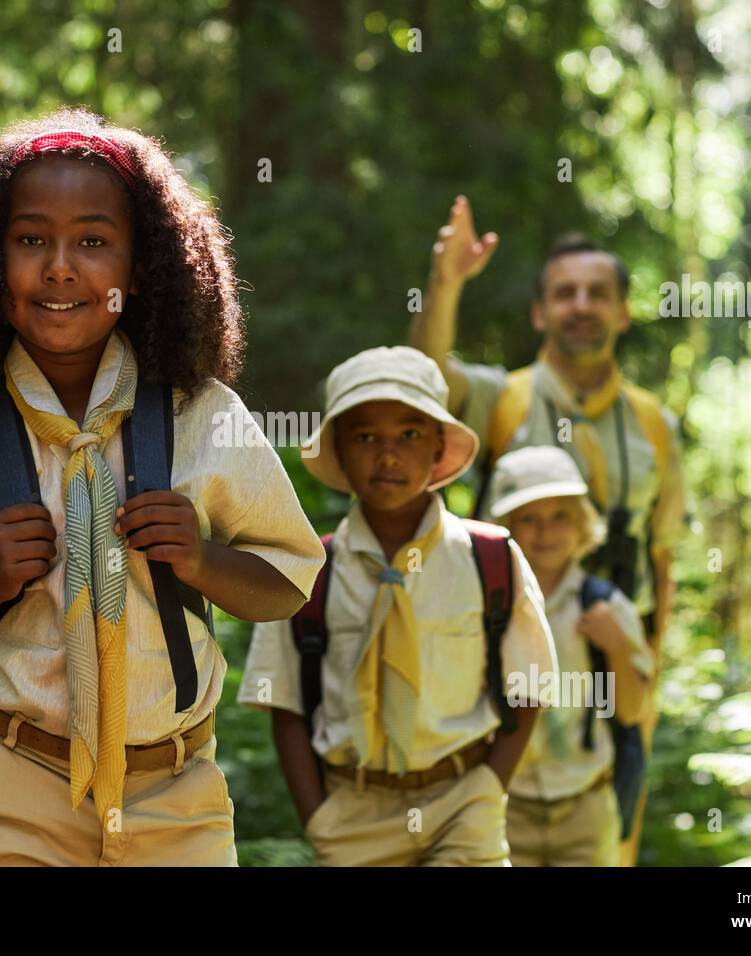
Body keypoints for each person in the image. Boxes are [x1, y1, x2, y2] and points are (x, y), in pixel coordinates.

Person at [0, 107, 326, 866]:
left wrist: (202, 561)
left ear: (141, 271)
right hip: (10, 784)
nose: (61, 267)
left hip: (174, 795)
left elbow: (288, 585)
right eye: (30, 239)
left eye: (94, 241)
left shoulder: (204, 420)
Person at [409, 196, 686, 864]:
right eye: (565, 293)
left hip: (610, 667)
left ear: (622, 311)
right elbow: (422, 382)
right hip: (499, 666)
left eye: (598, 293)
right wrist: (445, 282)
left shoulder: (656, 426)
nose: (581, 304)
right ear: (541, 313)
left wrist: (643, 670)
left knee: (608, 845)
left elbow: (663, 556)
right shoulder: (500, 398)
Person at [239, 346, 558, 866]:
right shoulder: (308, 570)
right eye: (365, 437)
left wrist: (487, 790)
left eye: (410, 435)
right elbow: (285, 706)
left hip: (462, 803)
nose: (388, 455)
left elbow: (531, 688)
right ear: (339, 450)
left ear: (438, 448)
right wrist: (318, 818)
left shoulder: (492, 558)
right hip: (352, 814)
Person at [486, 446, 653, 866]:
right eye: (529, 518)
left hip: (586, 807)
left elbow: (632, 712)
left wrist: (616, 644)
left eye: (560, 516)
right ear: (506, 526)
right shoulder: (485, 607)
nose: (546, 532)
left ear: (581, 524)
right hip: (503, 804)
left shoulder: (606, 607)